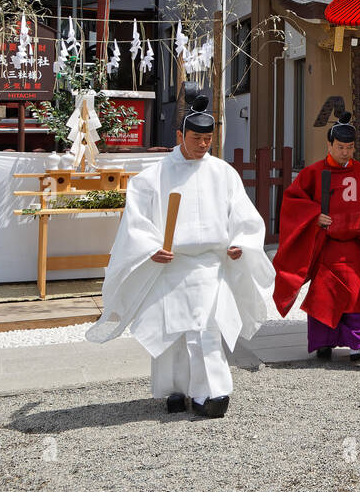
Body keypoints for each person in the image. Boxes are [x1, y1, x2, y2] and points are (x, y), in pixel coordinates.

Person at [87, 95, 274, 418]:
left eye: (208, 139)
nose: (203, 145)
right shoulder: (154, 176)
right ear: (179, 137)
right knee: (172, 332)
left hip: (211, 267)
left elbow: (244, 217)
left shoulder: (223, 173)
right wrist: (149, 249)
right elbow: (136, 221)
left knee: (206, 329)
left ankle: (213, 393)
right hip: (171, 265)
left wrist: (239, 242)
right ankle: (173, 389)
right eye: (196, 139)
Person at [273, 112, 360, 362]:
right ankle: (324, 343)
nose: (345, 152)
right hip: (326, 245)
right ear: (329, 145)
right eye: (340, 147)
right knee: (324, 294)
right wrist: (313, 216)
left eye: (350, 147)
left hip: (353, 244)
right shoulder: (314, 172)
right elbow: (292, 201)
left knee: (355, 294)